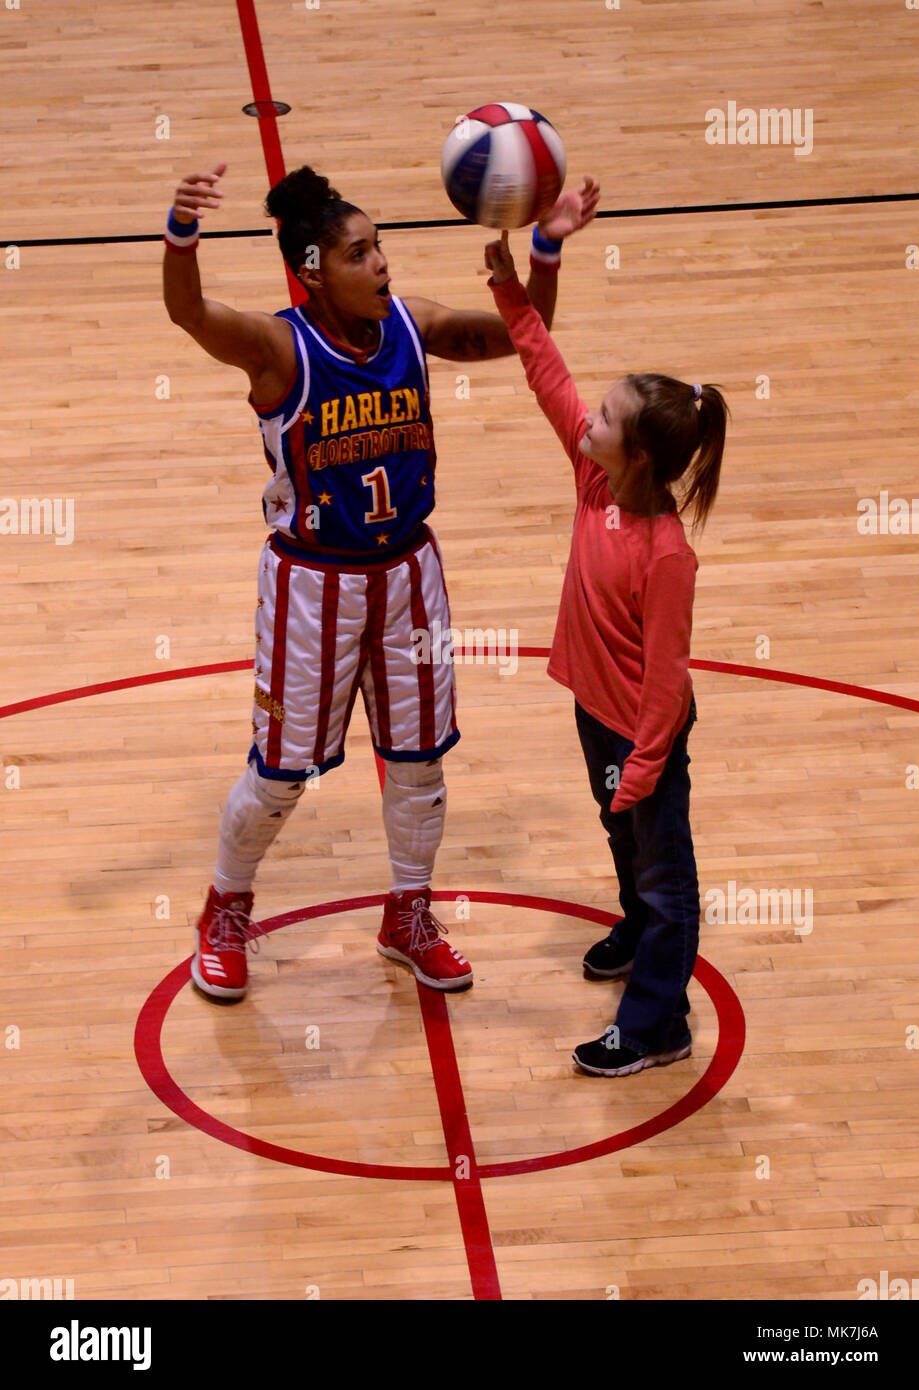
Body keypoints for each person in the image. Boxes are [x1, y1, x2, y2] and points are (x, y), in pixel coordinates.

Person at [162, 160, 600, 1000]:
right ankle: (225, 907)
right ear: (313, 270)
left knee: (420, 763)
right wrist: (183, 230)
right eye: (360, 253)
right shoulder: (278, 347)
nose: (382, 264)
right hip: (312, 585)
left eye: (381, 247)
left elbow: (522, 334)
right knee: (283, 772)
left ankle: (408, 913)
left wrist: (546, 249)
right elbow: (188, 312)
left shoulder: (412, 322)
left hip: (408, 573)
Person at [484, 228, 729, 1076]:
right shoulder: (597, 479)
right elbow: (550, 379)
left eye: (608, 418)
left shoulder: (667, 555)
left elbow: (668, 680)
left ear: (641, 456)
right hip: (596, 713)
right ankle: (633, 925)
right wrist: (514, 293)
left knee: (668, 882)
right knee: (623, 846)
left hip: (642, 736)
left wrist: (647, 765)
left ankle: (658, 1023)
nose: (589, 417)